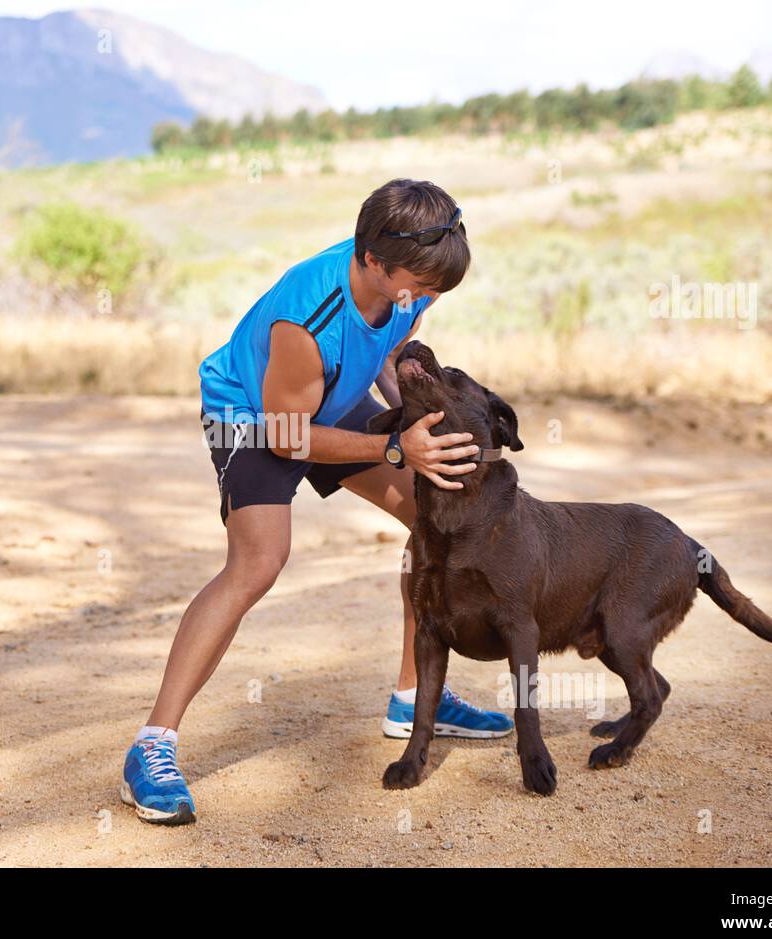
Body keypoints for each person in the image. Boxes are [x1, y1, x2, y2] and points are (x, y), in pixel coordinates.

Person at [121, 179, 512, 825]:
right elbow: (286, 434)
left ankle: (417, 697)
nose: (430, 299)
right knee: (259, 563)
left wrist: (408, 414)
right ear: (373, 261)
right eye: (423, 285)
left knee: (435, 518)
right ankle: (151, 747)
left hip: (327, 400)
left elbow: (384, 348)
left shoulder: (412, 278)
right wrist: (394, 450)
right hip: (251, 416)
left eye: (439, 288)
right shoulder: (309, 318)